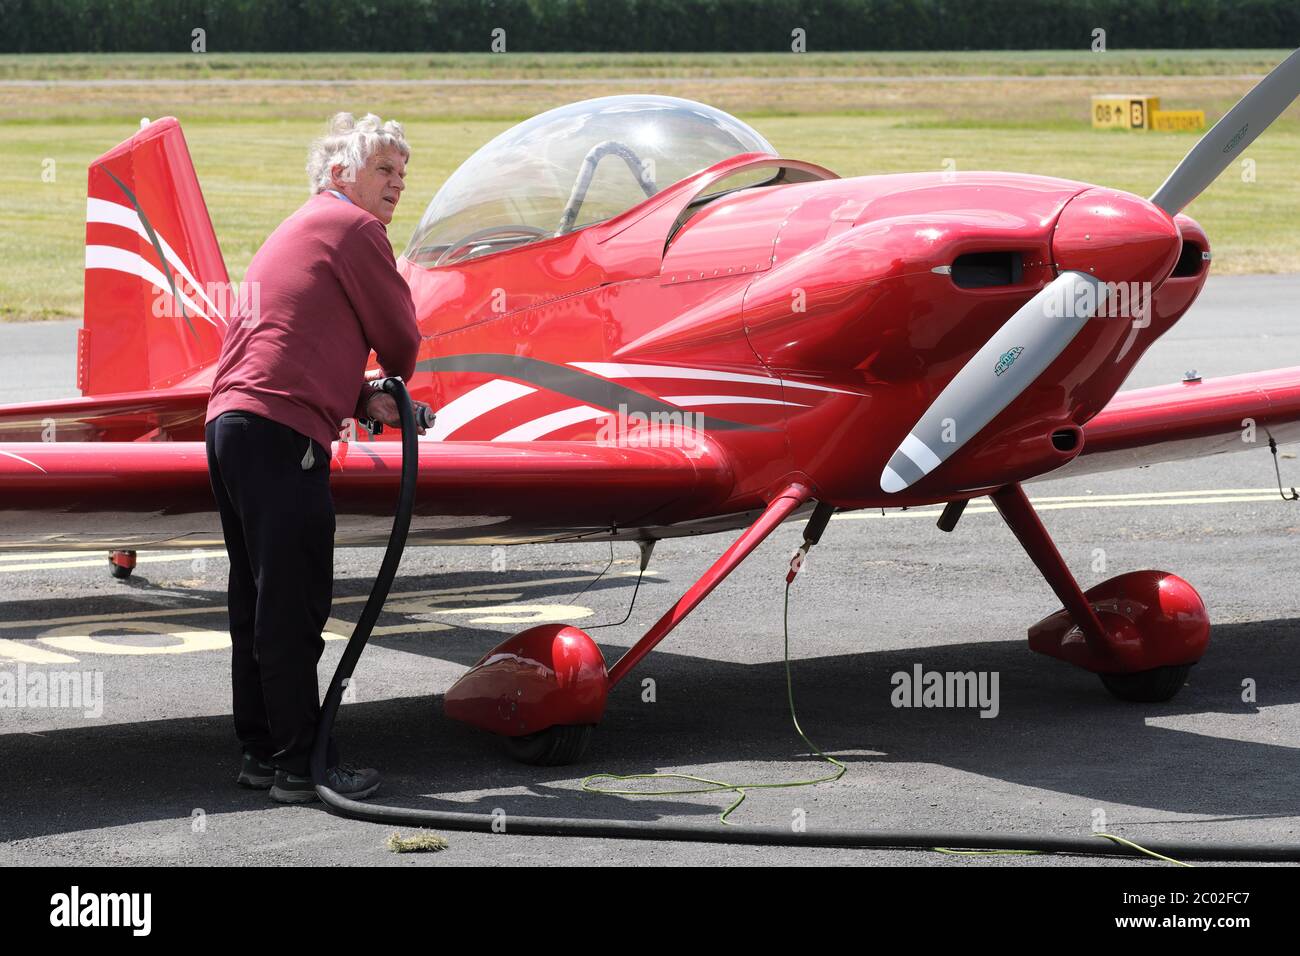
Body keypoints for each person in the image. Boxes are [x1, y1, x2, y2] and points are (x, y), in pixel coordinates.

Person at [205, 112, 431, 804]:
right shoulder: (356, 229)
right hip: (282, 434)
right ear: (341, 175)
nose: (396, 183)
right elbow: (402, 346)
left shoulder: (304, 226)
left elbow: (297, 340)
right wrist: (383, 386)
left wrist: (358, 400)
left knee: (256, 599)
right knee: (294, 605)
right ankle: (304, 766)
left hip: (232, 425)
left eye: (402, 171)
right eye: (383, 169)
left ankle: (260, 752)